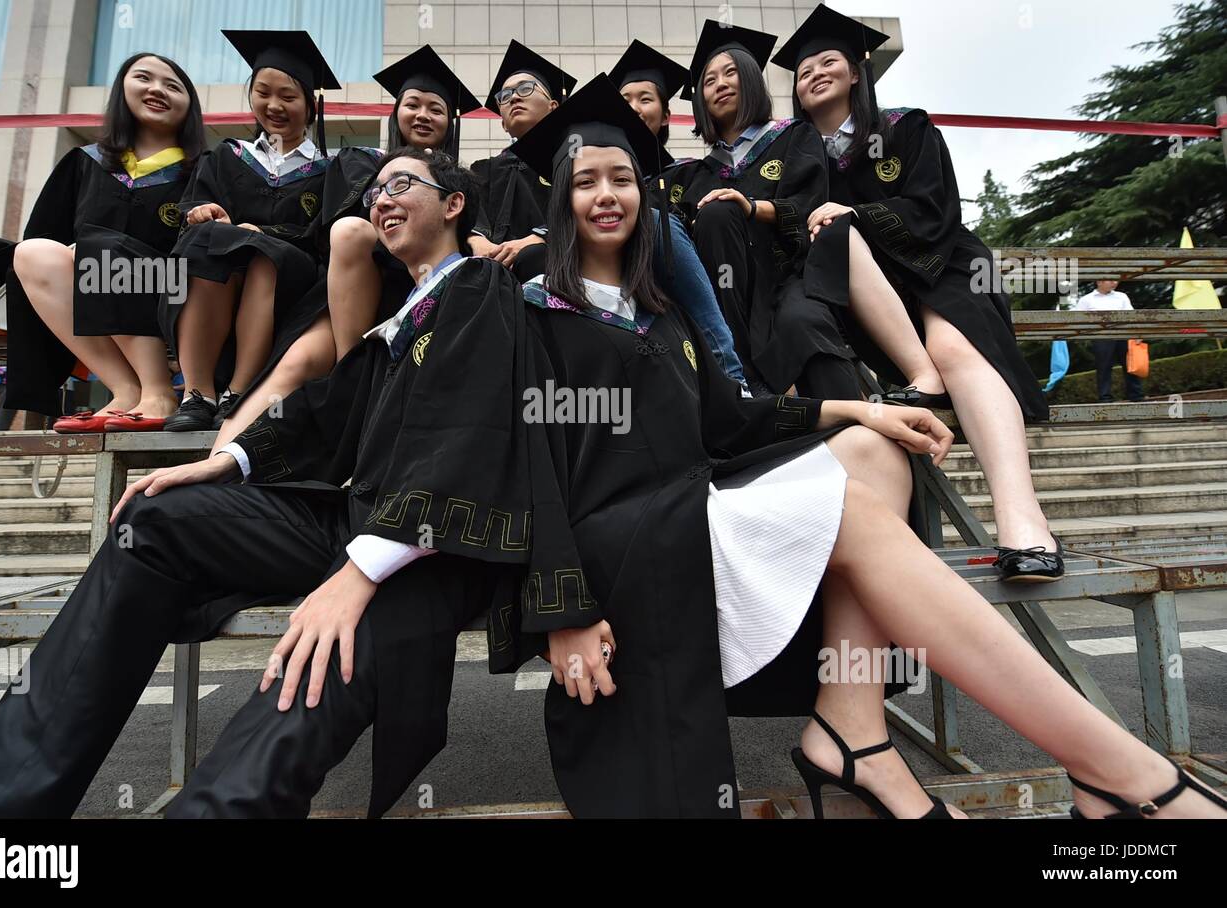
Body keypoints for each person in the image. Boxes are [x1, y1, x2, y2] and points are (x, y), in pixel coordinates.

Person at [502, 75, 1227, 820]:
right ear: (560, 202)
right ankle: (1117, 770)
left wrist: (865, 412)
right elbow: (524, 471)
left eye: (622, 178)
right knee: (845, 508)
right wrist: (562, 608)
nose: (607, 194)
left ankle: (852, 728)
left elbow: (736, 420)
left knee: (876, 456)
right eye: (585, 182)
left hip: (684, 508)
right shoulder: (526, 312)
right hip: (613, 543)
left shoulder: (661, 317)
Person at [0, 148, 532, 820]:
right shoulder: (401, 316)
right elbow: (319, 414)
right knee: (155, 520)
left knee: (326, 643)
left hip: (433, 541)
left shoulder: (481, 290)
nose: (381, 199)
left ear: (453, 206)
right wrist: (227, 461)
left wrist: (356, 574)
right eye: (375, 191)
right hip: (355, 521)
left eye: (404, 185)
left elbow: (469, 437)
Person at [778, 3, 1063, 581]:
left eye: (828, 61)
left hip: (941, 266)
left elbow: (935, 209)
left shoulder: (906, 126)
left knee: (958, 351)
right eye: (803, 69)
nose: (813, 73)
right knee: (834, 233)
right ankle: (921, 374)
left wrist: (854, 210)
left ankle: (1023, 524)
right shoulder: (793, 157)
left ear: (857, 72)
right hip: (870, 297)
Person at [208, 44, 482, 450]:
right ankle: (214, 462)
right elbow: (338, 223)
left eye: (436, 109)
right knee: (298, 361)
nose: (422, 115)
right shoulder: (361, 160)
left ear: (451, 122)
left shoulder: (466, 179)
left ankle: (352, 389)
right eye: (413, 104)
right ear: (395, 112)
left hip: (426, 292)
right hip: (357, 290)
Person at [0, 54, 205, 430]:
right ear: (121, 90)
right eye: (144, 78)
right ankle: (125, 390)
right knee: (34, 254)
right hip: (99, 297)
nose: (157, 89)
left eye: (173, 86)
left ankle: (159, 392)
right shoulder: (85, 162)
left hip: (175, 295)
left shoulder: (205, 166)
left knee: (98, 247)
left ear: (189, 105)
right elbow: (45, 236)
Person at [667, 20, 861, 400]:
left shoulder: (793, 136)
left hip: (786, 275)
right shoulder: (694, 174)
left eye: (731, 73)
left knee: (802, 323)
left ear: (753, 81)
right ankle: (743, 384)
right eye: (709, 80)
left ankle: (858, 433)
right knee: (717, 214)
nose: (720, 84)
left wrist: (753, 207)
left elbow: (810, 207)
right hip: (726, 298)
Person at [162, 30, 337, 433]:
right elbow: (189, 210)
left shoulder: (329, 170)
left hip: (288, 283)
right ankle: (197, 393)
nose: (274, 105)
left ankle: (238, 392)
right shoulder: (226, 156)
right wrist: (201, 212)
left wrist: (261, 231)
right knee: (207, 243)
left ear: (311, 105)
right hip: (221, 273)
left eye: (289, 97)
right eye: (263, 93)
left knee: (264, 255)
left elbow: (321, 233)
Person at [609, 39, 750, 390]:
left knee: (657, 223)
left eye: (646, 99)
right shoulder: (597, 179)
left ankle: (732, 379)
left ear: (667, 114)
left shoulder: (691, 172)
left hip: (671, 281)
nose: (635, 108)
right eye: (625, 100)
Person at [468, 41, 578, 280]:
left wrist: (538, 239)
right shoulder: (482, 169)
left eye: (525, 89)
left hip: (558, 269)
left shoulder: (574, 159)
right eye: (505, 95)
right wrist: (476, 240)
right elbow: (468, 215)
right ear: (503, 123)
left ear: (553, 107)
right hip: (490, 273)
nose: (514, 98)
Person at [1076, 279, 1145, 402]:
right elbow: (1077, 318)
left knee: (1130, 365)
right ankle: (1105, 398)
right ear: (1099, 282)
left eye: (1116, 280)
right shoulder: (1086, 299)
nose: (1114, 282)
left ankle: (1136, 395)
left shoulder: (1122, 296)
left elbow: (1132, 316)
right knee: (1104, 367)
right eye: (1110, 280)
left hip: (1123, 334)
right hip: (1101, 336)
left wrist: (1136, 333)